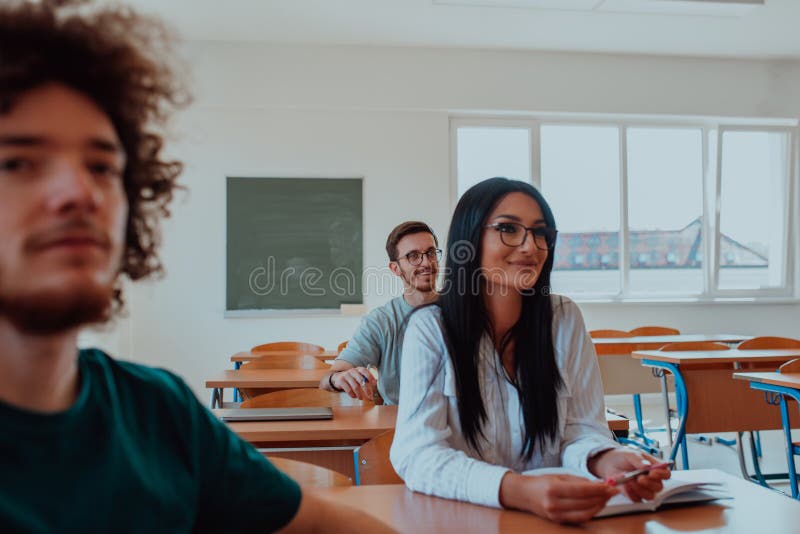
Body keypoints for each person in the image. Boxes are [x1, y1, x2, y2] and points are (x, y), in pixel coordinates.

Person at [0, 2, 393, 532]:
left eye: (102, 166)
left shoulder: (157, 412)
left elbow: (327, 525)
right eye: (18, 162)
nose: (81, 192)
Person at [390, 177, 669, 524]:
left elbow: (582, 429)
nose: (530, 246)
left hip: (558, 523)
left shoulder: (564, 318)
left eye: (540, 233)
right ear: (469, 240)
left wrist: (604, 459)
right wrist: (518, 490)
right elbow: (417, 455)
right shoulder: (431, 328)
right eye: (508, 228)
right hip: (466, 522)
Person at [320, 221, 440, 405]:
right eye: (413, 256)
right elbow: (329, 378)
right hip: (397, 419)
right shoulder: (381, 320)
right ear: (395, 268)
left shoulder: (463, 313)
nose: (426, 262)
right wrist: (337, 378)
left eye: (431, 253)